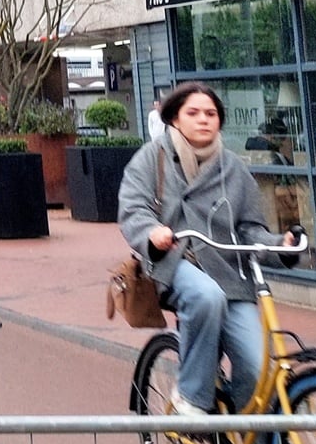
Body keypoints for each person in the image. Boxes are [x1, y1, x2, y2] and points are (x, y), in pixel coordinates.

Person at [118, 81, 295, 419]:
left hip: (229, 274)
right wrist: (152, 232)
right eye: (193, 113)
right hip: (174, 265)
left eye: (211, 114)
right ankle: (191, 397)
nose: (203, 120)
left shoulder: (233, 168)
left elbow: (250, 228)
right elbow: (132, 209)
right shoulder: (151, 158)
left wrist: (279, 245)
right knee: (205, 296)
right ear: (174, 119)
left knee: (258, 369)